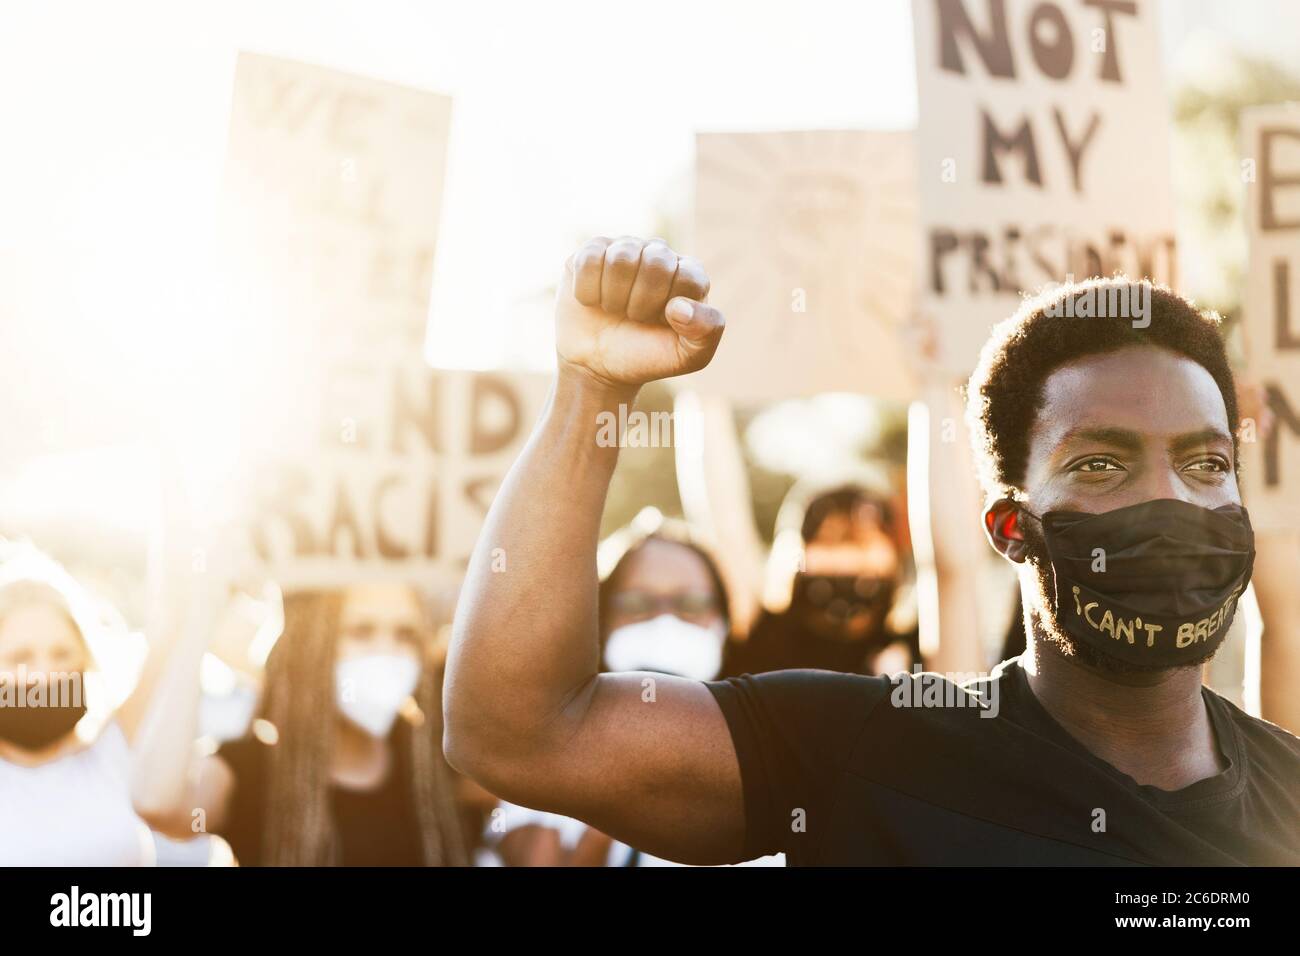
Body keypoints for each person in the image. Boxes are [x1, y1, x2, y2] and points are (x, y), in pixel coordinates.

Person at [443, 235, 1300, 865]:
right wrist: (592, 390)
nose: (1167, 497)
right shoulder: (870, 748)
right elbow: (517, 733)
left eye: (1206, 462)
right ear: (1011, 529)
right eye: (1101, 464)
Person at [486, 513, 783, 865]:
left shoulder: (768, 764)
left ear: (722, 620)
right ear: (600, 620)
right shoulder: (547, 755)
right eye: (636, 604)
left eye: (690, 604)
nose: (664, 621)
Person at [138, 582, 468, 866]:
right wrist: (199, 624)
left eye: (405, 634)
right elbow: (156, 804)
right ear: (310, 644)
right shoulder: (250, 768)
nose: (385, 651)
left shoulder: (442, 759)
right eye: (361, 631)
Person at [0, 567, 155, 865]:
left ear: (85, 659)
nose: (44, 675)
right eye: (20, 658)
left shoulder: (117, 746)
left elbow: (175, 627)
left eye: (62, 654)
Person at [726, 481, 918, 677]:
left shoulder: (917, 645)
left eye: (862, 544)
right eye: (830, 540)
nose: (846, 560)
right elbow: (729, 529)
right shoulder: (762, 631)